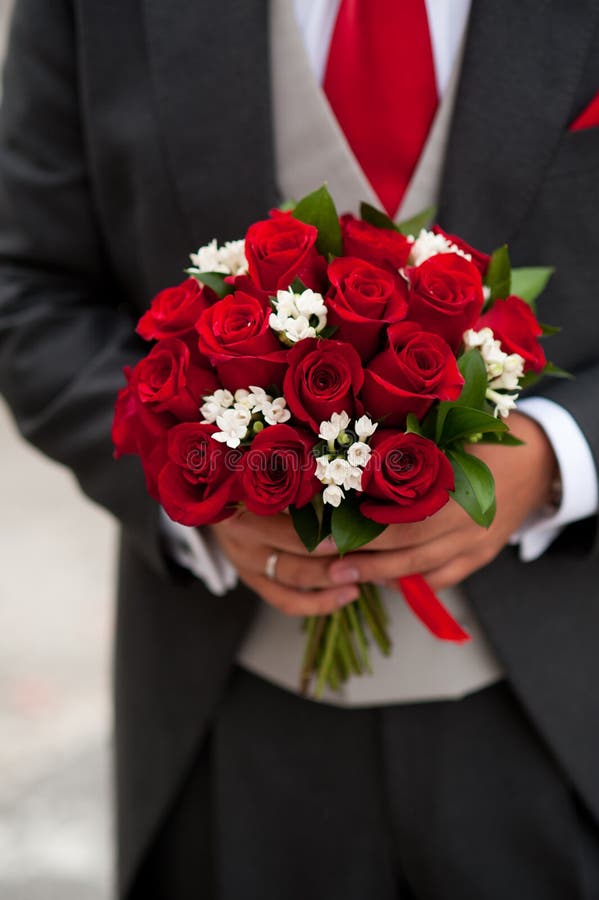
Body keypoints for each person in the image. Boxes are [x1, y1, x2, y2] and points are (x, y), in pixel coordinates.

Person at [0, 1, 598, 898]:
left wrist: (560, 451)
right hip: (225, 717)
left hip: (567, 704)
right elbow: (30, 289)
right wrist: (193, 483)